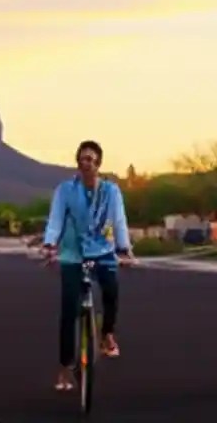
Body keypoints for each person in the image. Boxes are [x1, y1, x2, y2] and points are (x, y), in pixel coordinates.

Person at [41, 140, 136, 393]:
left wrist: (124, 249)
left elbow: (119, 220)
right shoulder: (65, 190)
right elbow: (56, 219)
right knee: (69, 309)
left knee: (111, 290)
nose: (86, 163)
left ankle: (107, 334)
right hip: (73, 253)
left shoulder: (111, 191)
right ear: (78, 162)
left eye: (91, 160)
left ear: (99, 164)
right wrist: (50, 244)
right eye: (82, 159)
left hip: (103, 250)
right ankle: (65, 367)